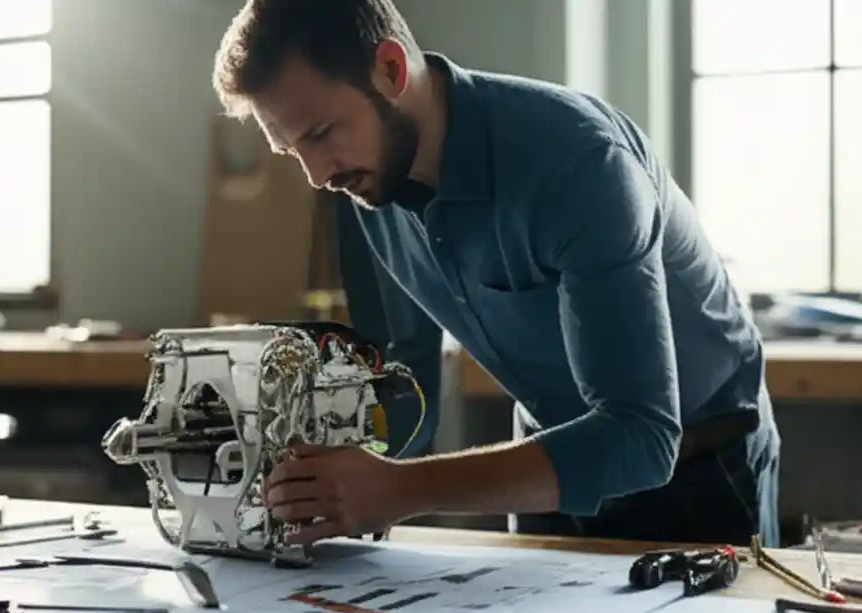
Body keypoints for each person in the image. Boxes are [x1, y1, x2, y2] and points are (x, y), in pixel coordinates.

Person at [212, 0, 781, 548]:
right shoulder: (364, 181)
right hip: (543, 464)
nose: (316, 176)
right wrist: (330, 485)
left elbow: (643, 438)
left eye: (319, 134)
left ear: (390, 69)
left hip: (699, 464)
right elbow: (407, 380)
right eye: (291, 152)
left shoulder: (579, 161)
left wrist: (397, 489)